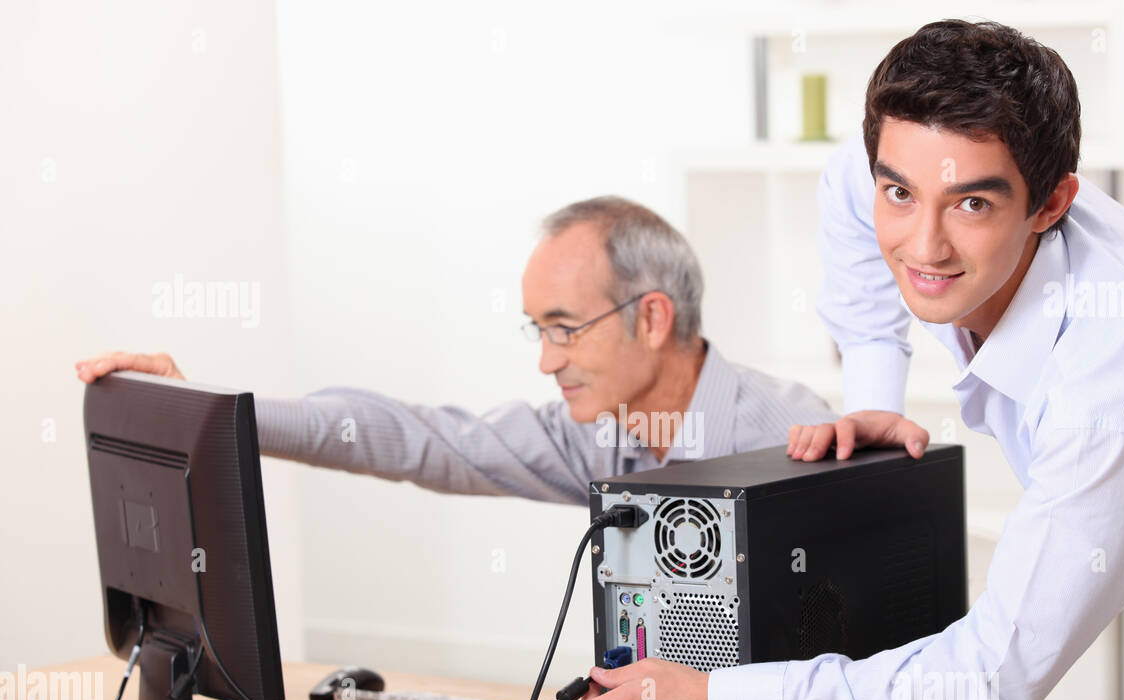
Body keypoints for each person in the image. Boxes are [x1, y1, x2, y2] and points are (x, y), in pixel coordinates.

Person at [553, 21, 1124, 700]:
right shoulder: (884, 180)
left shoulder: (1120, 383)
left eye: (973, 203)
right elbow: (850, 204)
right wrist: (876, 390)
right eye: (900, 194)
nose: (924, 245)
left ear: (1052, 201)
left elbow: (989, 675)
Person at [76, 196, 834, 503]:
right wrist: (211, 414)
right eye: (538, 331)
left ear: (655, 317)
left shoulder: (793, 438)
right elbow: (419, 438)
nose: (547, 361)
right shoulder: (599, 438)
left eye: (565, 328)